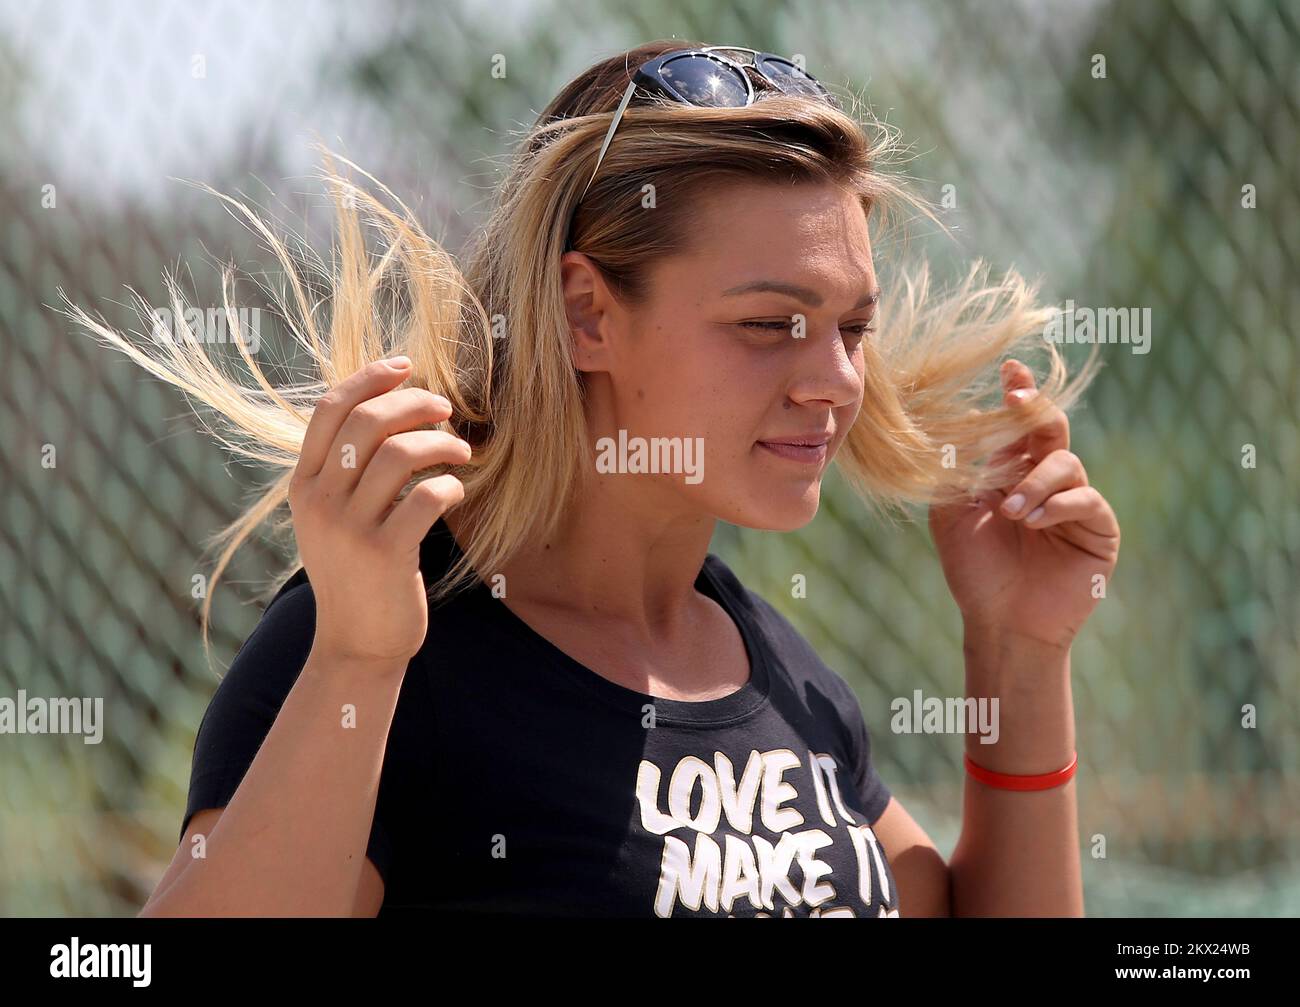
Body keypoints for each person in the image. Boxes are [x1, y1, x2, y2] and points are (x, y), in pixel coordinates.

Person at [63, 39, 1120, 917]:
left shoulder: (780, 675)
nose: (834, 380)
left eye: (852, 327)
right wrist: (353, 659)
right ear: (586, 312)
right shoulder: (386, 643)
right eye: (768, 326)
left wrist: (1017, 648)